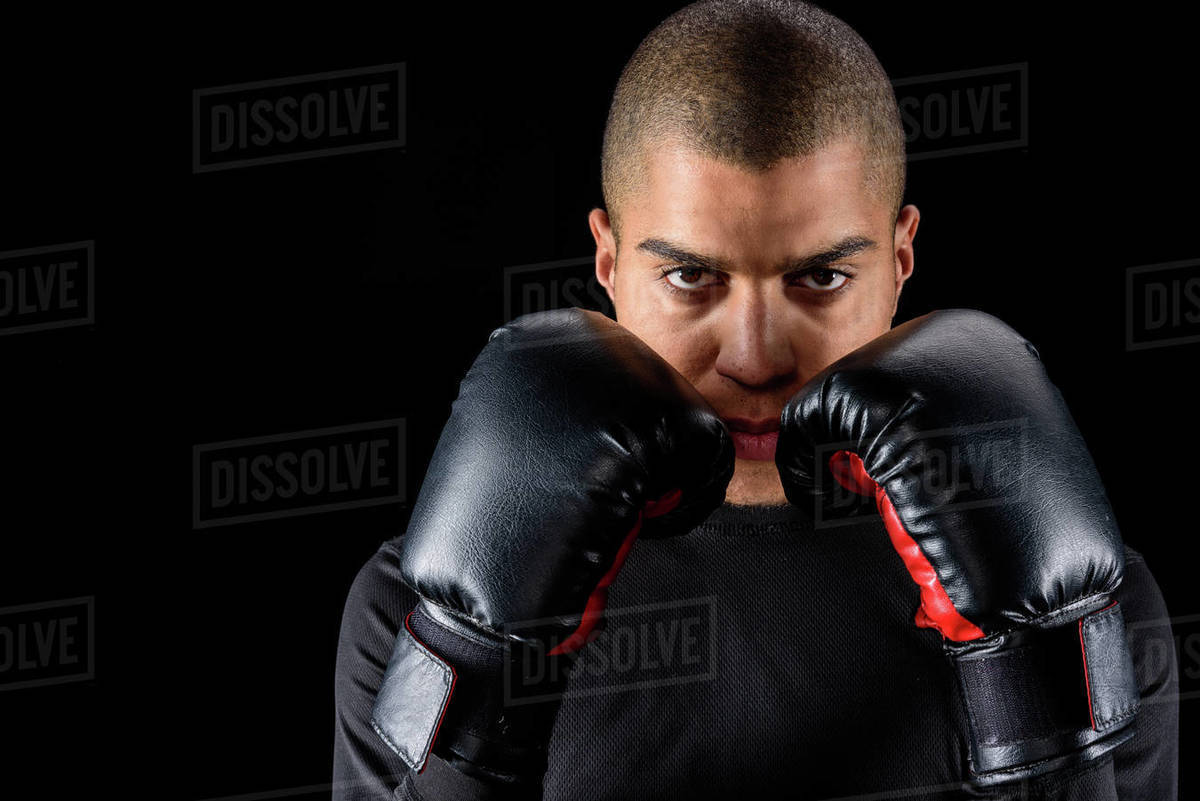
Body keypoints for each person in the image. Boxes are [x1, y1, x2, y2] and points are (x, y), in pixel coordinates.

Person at [332, 2, 1178, 798]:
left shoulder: (1084, 608)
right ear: (608, 264)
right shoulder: (417, 609)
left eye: (822, 277)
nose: (756, 356)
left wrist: (1023, 678)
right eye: (690, 276)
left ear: (902, 261)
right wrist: (476, 662)